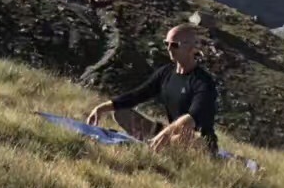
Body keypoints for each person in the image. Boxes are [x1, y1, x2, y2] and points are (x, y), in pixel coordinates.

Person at [86, 24, 218, 153]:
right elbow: (138, 94)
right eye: (167, 44)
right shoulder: (166, 73)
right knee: (120, 112)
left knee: (187, 139)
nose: (169, 49)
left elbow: (192, 118)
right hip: (170, 132)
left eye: (174, 45)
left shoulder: (203, 82)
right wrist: (102, 108)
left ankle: (156, 144)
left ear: (191, 48)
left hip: (199, 140)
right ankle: (156, 142)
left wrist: (166, 133)